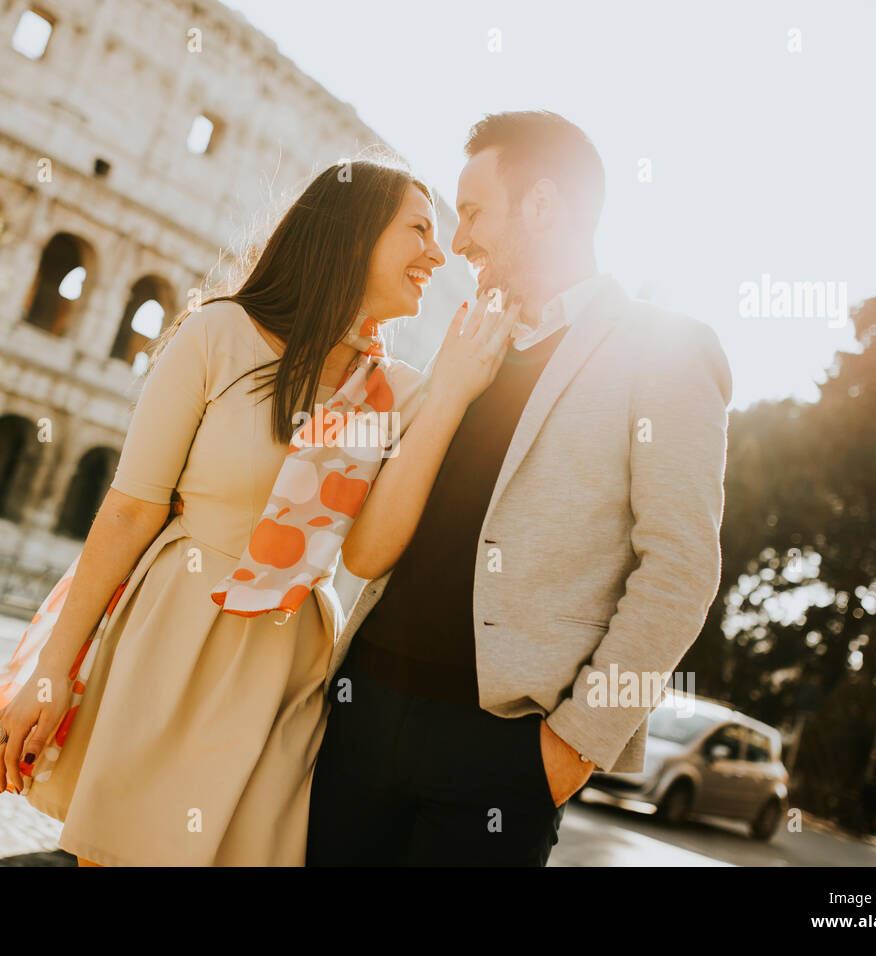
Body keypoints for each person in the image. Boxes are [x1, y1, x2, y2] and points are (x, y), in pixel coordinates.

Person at [0, 157, 516, 866]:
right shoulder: (219, 334)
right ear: (352, 234)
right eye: (418, 230)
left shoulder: (397, 392)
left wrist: (453, 396)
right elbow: (129, 512)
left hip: (287, 663)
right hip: (171, 632)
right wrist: (50, 672)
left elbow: (368, 555)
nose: (438, 253)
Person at [308, 110, 733, 866]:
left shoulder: (664, 350)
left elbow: (679, 567)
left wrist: (571, 748)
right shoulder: (466, 336)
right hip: (360, 715)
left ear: (541, 206)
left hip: (500, 755)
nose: (457, 240)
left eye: (472, 213)